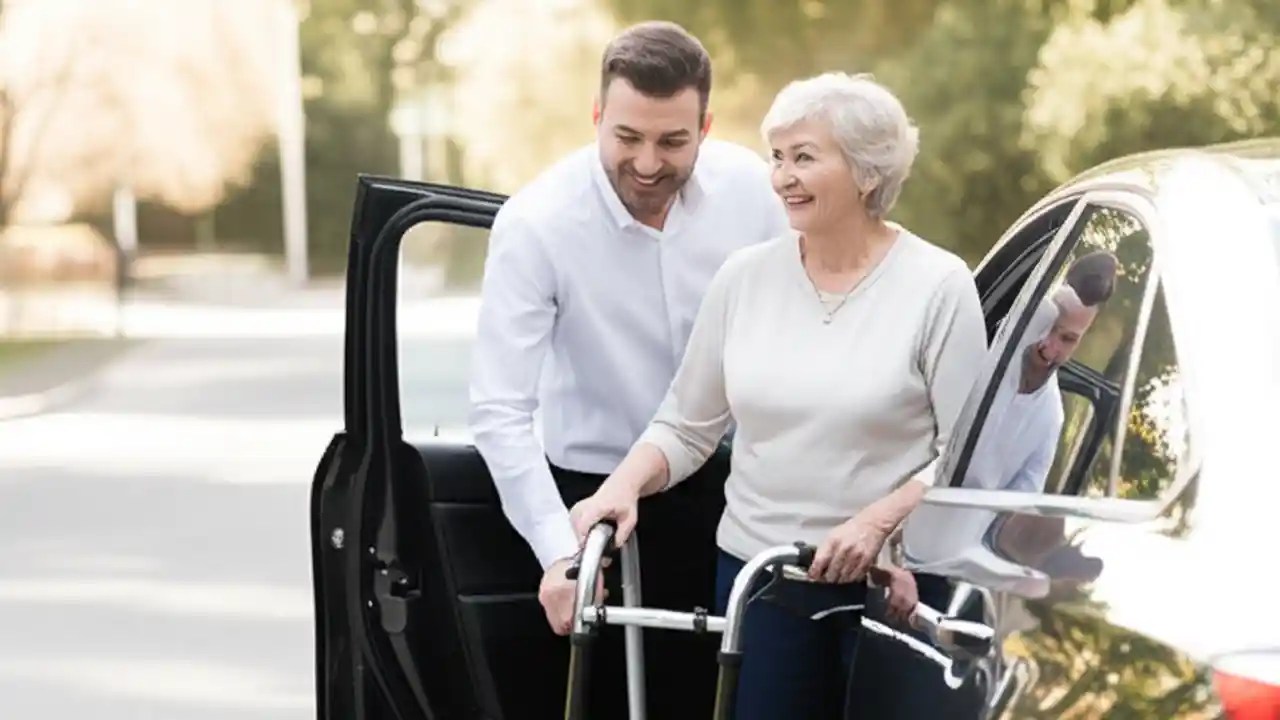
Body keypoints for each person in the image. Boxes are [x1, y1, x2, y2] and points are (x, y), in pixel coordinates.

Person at [568, 72, 987, 719]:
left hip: (892, 589)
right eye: (778, 157)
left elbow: (967, 458)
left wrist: (878, 524)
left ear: (866, 172)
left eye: (804, 157)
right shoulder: (744, 278)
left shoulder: (939, 286)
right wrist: (621, 486)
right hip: (760, 581)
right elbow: (686, 425)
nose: (782, 177)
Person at [468, 20, 789, 718]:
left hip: (726, 494)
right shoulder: (537, 224)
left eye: (673, 141)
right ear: (596, 118)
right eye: (627, 138)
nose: (647, 163)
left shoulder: (755, 195)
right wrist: (560, 554)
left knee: (727, 698)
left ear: (704, 125)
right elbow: (499, 411)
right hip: (591, 510)